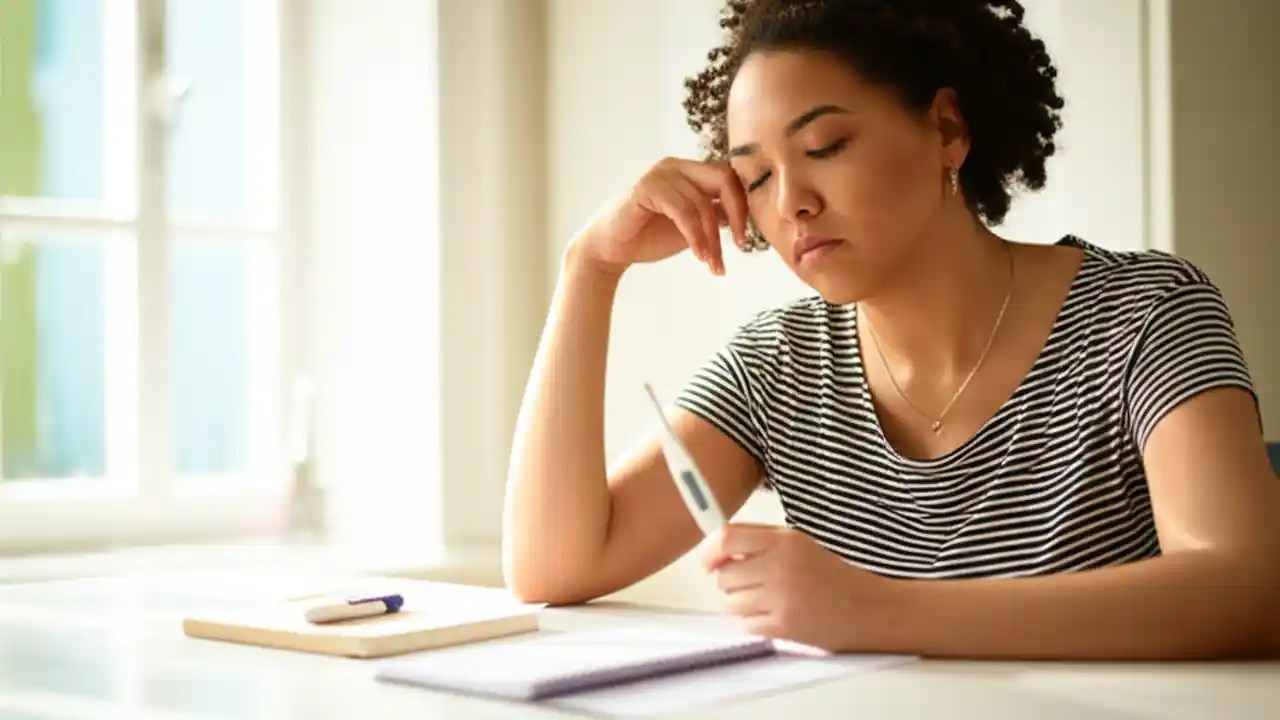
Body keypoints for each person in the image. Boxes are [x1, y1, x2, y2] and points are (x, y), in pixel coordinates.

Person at [502, 0, 1280, 659]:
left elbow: (1251, 586)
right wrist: (590, 267)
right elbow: (553, 567)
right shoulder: (778, 367)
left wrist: (877, 611)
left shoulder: (1145, 313)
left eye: (825, 147)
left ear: (946, 130)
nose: (791, 203)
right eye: (756, 177)